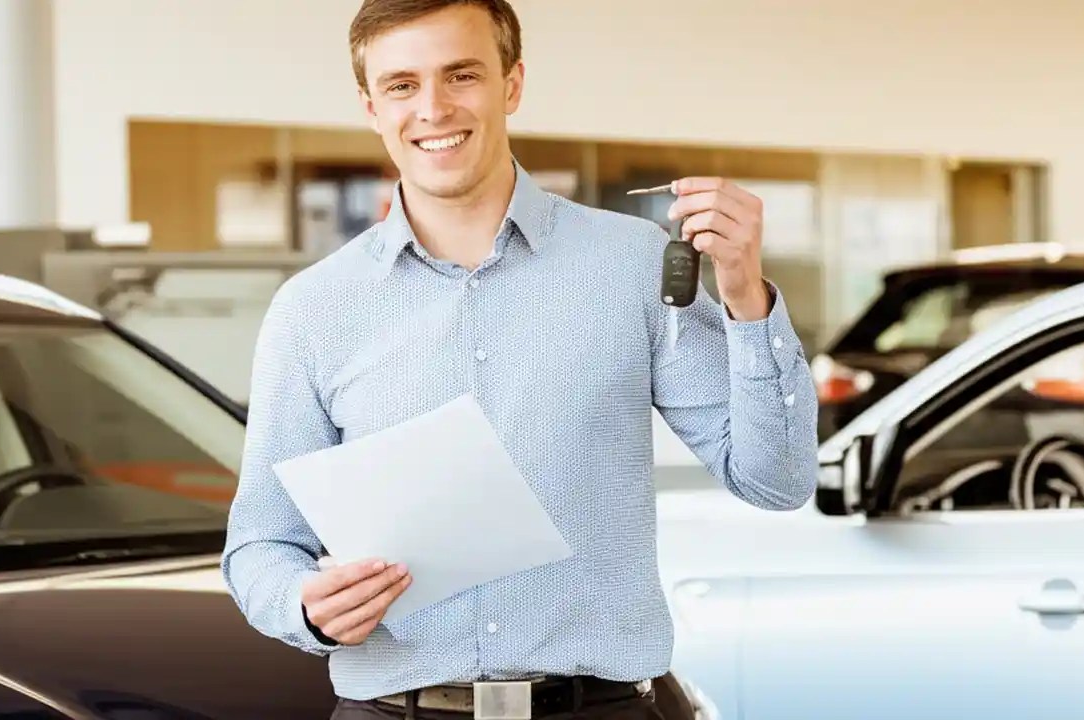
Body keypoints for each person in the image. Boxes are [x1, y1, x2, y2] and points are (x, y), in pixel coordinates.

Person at [222, 0, 818, 717]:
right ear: (371, 106)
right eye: (402, 85)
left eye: (461, 75)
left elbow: (776, 481)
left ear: (512, 84)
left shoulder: (634, 268)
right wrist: (304, 607)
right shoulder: (312, 311)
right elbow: (260, 546)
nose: (433, 109)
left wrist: (746, 297)